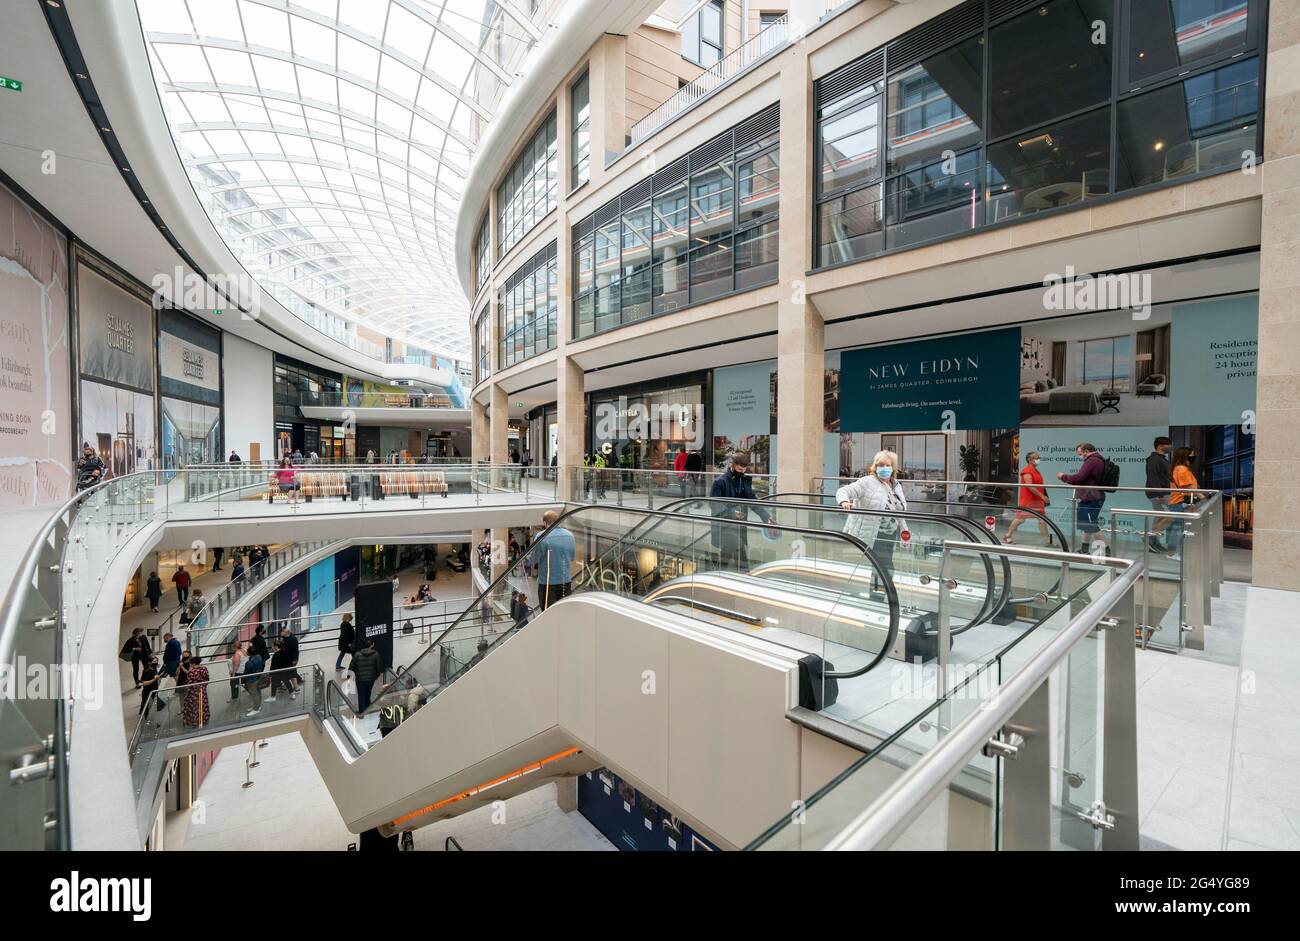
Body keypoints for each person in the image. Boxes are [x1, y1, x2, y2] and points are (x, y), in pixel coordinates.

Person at [836, 450, 910, 592]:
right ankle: (881, 596)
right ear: (875, 467)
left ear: (893, 467)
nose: (884, 468)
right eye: (880, 465)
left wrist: (903, 530)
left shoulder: (896, 485)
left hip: (891, 532)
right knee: (885, 566)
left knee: (880, 566)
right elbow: (844, 491)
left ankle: (878, 595)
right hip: (875, 532)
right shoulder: (867, 482)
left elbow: (900, 509)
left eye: (887, 465)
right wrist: (844, 501)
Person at [709, 451, 777, 570]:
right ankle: (745, 573)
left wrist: (766, 517)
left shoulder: (744, 480)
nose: (742, 472)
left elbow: (752, 500)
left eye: (744, 470)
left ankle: (720, 573)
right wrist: (733, 514)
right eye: (740, 469)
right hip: (723, 525)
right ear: (732, 465)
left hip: (739, 525)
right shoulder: (719, 482)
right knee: (738, 547)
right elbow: (714, 504)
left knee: (729, 551)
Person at [1057, 442, 1109, 555]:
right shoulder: (1097, 460)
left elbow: (1079, 478)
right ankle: (1084, 549)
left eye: (1080, 454)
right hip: (1091, 496)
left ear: (1086, 451)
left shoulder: (1093, 460)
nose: (1080, 456)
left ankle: (1107, 551)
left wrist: (1063, 477)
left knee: (1091, 525)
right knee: (1087, 525)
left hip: (1091, 497)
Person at [533, 509, 576, 611]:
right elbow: (572, 557)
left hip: (547, 583)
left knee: (547, 613)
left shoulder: (541, 536)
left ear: (544, 523)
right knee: (563, 611)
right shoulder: (570, 535)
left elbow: (536, 559)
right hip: (565, 581)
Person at [1005, 452, 1051, 545]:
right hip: (1028, 499)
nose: (1038, 459)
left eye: (1038, 457)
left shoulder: (1036, 471)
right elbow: (1030, 486)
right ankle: (1008, 535)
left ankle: (1047, 542)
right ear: (1030, 460)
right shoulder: (1027, 471)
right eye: (1036, 457)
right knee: (1021, 518)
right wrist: (1042, 496)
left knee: (1042, 520)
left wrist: (1043, 497)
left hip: (1037, 500)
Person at [1165, 447, 1200, 556]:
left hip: (1177, 502)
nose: (1194, 457)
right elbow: (1189, 488)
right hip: (1180, 502)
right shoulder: (1182, 469)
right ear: (1185, 456)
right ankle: (1172, 553)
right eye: (1192, 455)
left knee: (1176, 527)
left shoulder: (1178, 468)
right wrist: (1204, 497)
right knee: (1177, 528)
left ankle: (1174, 552)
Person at [1144, 436, 1174, 552]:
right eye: (1168, 444)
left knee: (1159, 517)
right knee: (1170, 517)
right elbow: (1153, 477)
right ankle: (1152, 539)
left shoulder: (1162, 459)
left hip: (1162, 492)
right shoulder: (1154, 459)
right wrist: (1160, 494)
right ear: (1161, 445)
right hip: (1158, 493)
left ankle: (1153, 543)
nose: (1170, 447)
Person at [351, 639, 383, 711]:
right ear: (372, 645)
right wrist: (376, 676)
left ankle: (362, 711)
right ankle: (368, 706)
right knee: (368, 692)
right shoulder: (376, 654)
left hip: (360, 679)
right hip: (371, 679)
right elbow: (379, 667)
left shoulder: (357, 654)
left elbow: (351, 667)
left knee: (361, 695)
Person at [182, 655, 210, 728]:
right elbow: (207, 679)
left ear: (193, 663)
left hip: (193, 691)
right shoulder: (204, 669)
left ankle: (195, 721)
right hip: (202, 689)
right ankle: (204, 719)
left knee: (194, 706)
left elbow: (189, 682)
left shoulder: (192, 671)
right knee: (203, 704)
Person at [242, 646, 266, 716]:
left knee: (254, 694)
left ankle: (256, 709)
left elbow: (246, 673)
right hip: (258, 677)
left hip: (251, 680)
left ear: (249, 653)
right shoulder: (259, 657)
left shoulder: (249, 663)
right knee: (258, 692)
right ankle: (258, 706)